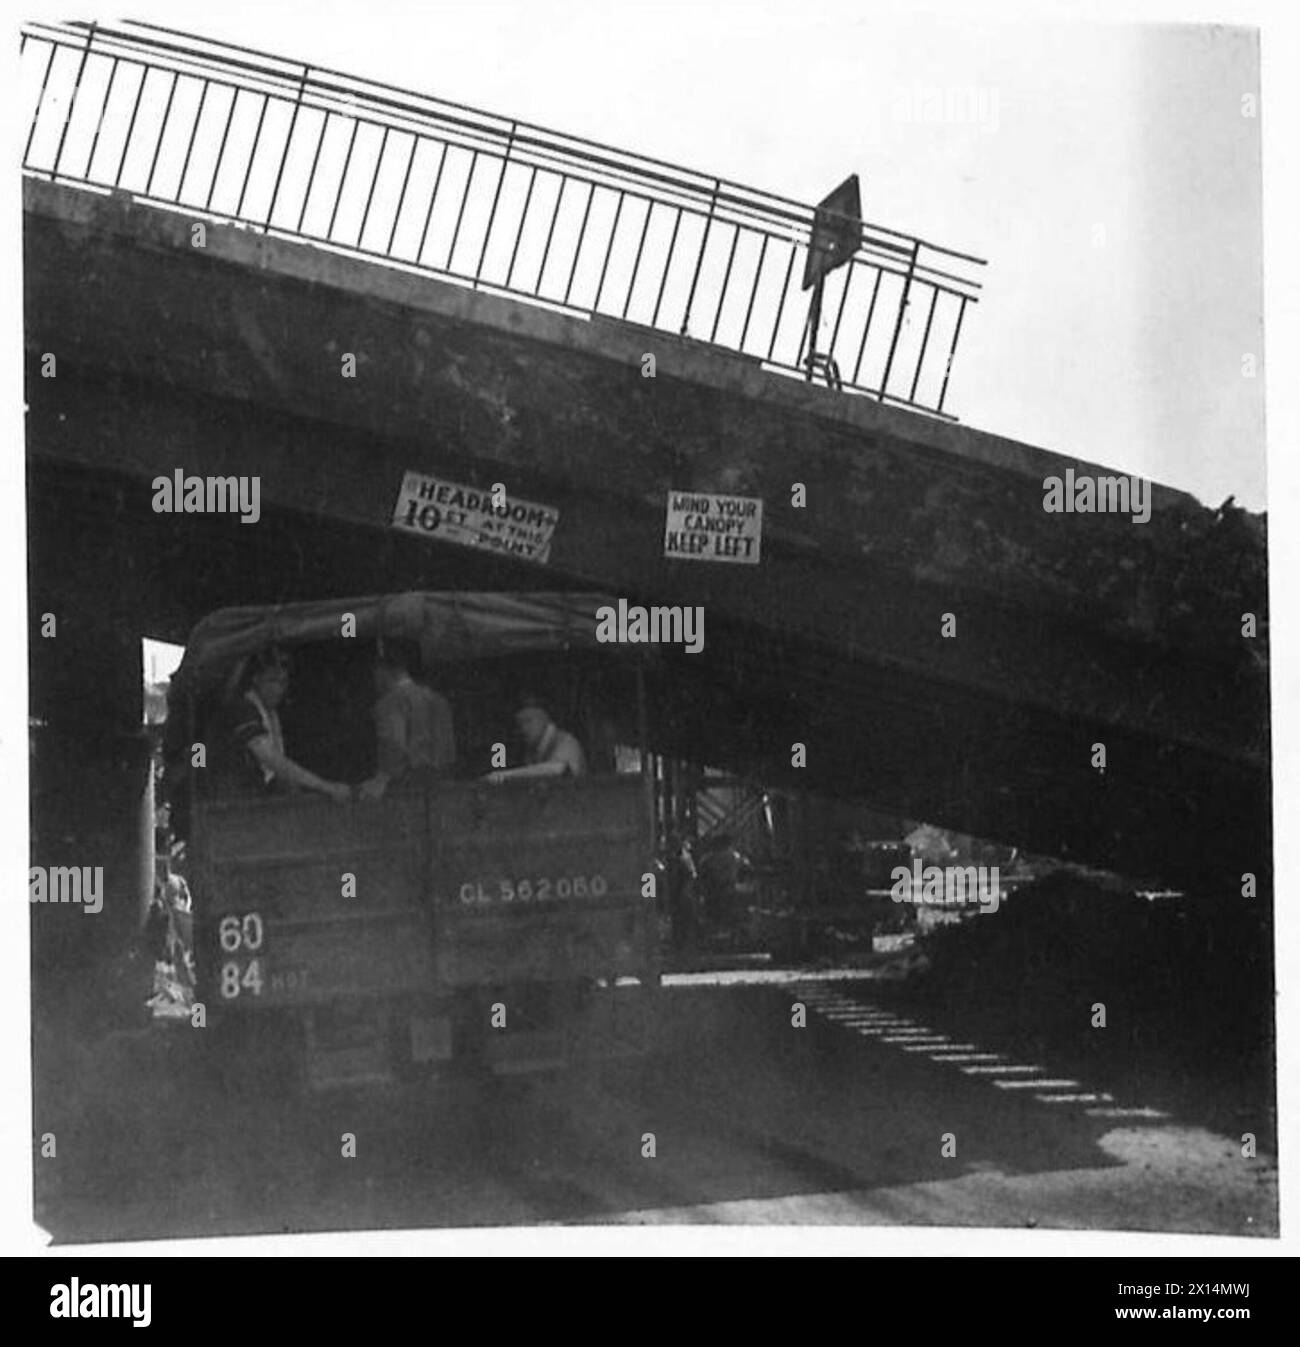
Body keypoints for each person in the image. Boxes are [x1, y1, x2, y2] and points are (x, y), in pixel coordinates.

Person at [212, 649, 351, 803]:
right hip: (230, 800)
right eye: (272, 681)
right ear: (256, 679)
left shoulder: (271, 713)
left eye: (283, 682)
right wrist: (326, 787)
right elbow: (270, 758)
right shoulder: (243, 709)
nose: (279, 689)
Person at [358, 641, 456, 800]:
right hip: (442, 788)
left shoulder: (387, 704)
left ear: (383, 671)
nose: (374, 683)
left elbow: (394, 745)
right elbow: (449, 751)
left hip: (404, 790)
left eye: (375, 675)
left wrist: (380, 781)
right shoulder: (440, 700)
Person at [484, 695, 586, 782]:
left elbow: (559, 769)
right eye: (520, 724)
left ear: (544, 718)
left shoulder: (566, 741)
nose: (524, 729)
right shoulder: (532, 749)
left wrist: (506, 775)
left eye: (528, 721)